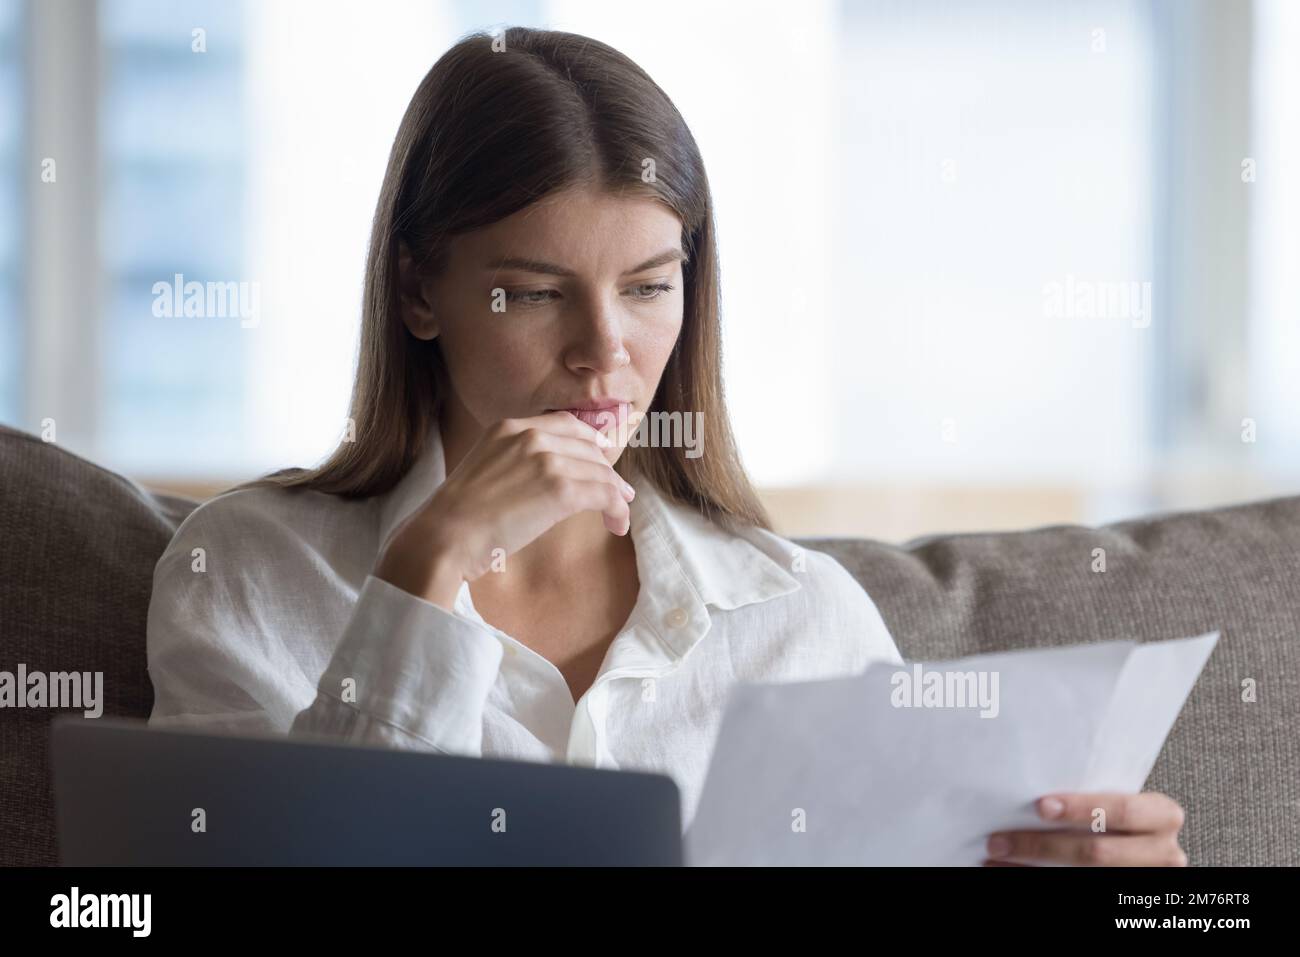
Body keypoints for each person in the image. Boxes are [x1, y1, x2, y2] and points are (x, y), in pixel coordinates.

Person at [146, 26, 1186, 866]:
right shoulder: (248, 570)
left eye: (647, 287)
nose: (605, 351)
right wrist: (428, 567)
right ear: (419, 290)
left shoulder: (797, 619)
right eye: (540, 294)